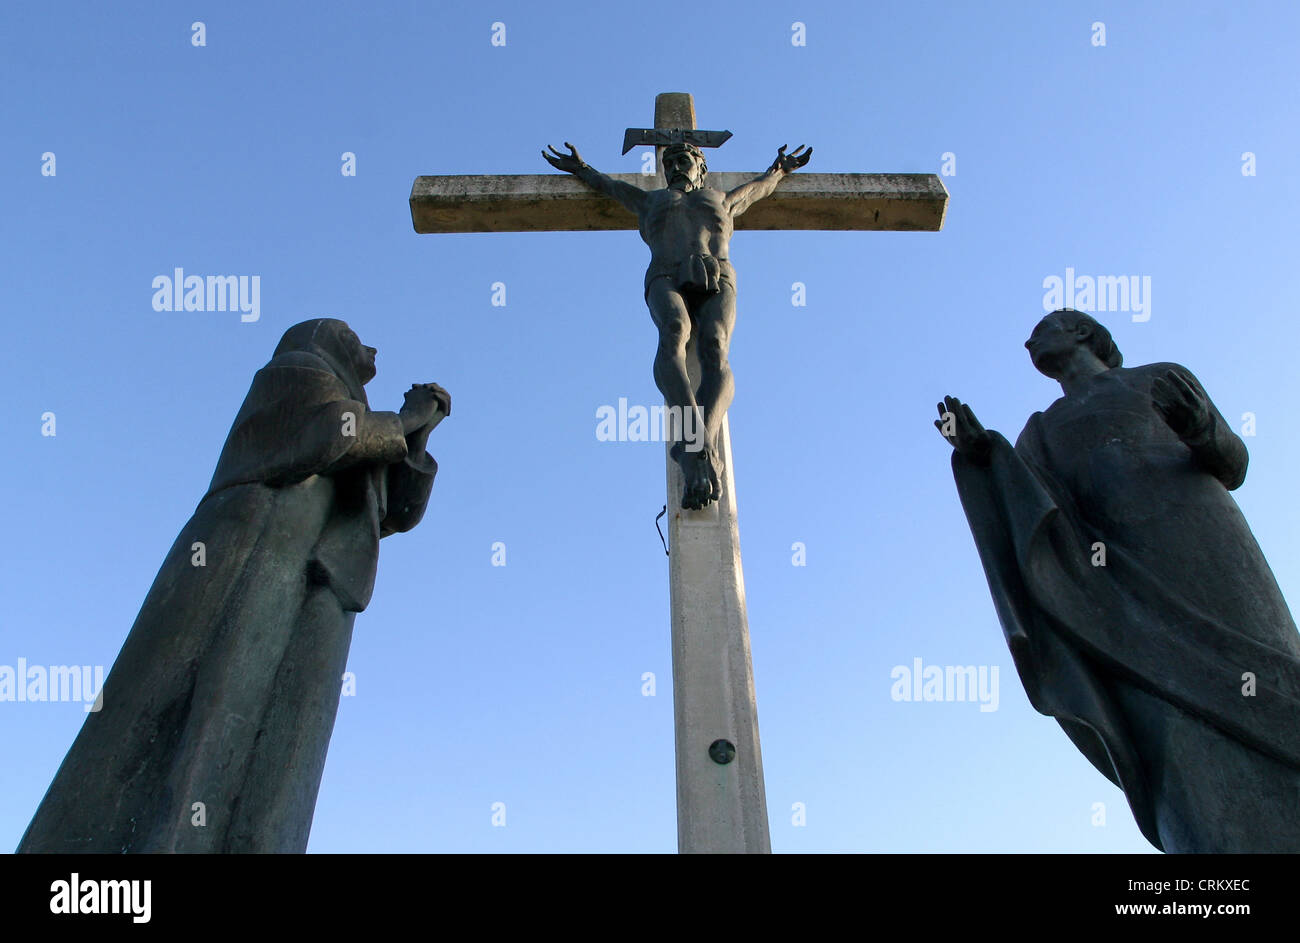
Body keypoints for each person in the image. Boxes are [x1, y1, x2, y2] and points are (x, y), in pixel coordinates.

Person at [19, 319, 449, 853]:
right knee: (211, 707)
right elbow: (333, 437)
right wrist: (403, 419)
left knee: (284, 746)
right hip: (253, 546)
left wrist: (417, 436)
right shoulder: (297, 370)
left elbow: (394, 516)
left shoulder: (358, 411)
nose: (372, 349)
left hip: (319, 575)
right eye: (357, 340)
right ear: (325, 338)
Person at [936, 308, 1300, 851]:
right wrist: (984, 455)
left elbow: (1233, 463)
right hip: (1121, 594)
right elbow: (1038, 512)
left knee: (1265, 669)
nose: (1028, 341)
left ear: (1082, 332)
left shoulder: (1158, 378)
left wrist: (1201, 426)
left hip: (1208, 548)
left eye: (1042, 330)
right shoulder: (1038, 431)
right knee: (1173, 721)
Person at [543, 139, 810, 508]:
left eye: (685, 160)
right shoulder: (651, 201)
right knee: (673, 334)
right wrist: (583, 169)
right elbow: (610, 187)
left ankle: (700, 444)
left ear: (701, 167)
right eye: (670, 164)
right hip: (665, 273)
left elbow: (761, 188)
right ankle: (696, 445)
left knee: (715, 345)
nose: (677, 167)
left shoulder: (721, 198)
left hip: (717, 272)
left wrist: (779, 169)